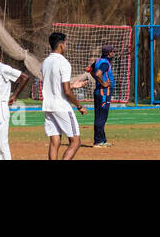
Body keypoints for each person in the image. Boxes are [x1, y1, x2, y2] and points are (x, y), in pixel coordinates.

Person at [42, 31, 87, 161]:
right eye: (65, 44)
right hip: (61, 106)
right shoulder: (63, 62)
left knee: (54, 142)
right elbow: (66, 92)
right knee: (75, 141)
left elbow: (54, 85)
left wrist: (73, 86)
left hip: (48, 106)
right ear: (61, 45)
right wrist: (79, 106)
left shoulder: (46, 62)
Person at [90, 45, 114, 148]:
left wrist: (96, 79)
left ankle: (102, 140)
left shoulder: (98, 61)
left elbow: (90, 70)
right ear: (109, 54)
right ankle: (98, 141)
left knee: (101, 117)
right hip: (103, 92)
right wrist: (103, 83)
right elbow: (98, 73)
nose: (114, 53)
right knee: (101, 117)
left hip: (100, 92)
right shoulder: (104, 63)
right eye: (113, 52)